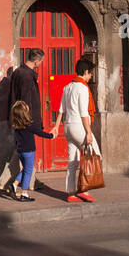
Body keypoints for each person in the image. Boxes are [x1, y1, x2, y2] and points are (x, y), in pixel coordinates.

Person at [0, 48, 46, 195]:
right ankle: (5, 182)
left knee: (23, 151)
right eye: (41, 62)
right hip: (25, 120)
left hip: (17, 118)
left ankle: (31, 182)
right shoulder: (26, 76)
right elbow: (26, 101)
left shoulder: (18, 72)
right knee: (23, 152)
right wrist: (28, 121)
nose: (41, 64)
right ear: (37, 61)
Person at [55, 57, 101, 203]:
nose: (91, 76)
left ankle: (71, 192)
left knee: (72, 161)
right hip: (78, 126)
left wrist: (56, 126)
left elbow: (61, 110)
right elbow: (84, 113)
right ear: (86, 72)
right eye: (90, 73)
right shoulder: (82, 88)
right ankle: (84, 189)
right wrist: (88, 132)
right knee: (94, 154)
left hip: (67, 126)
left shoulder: (67, 87)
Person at [10, 99, 54, 201]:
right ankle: (24, 194)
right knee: (28, 172)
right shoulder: (29, 124)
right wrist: (51, 136)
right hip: (28, 151)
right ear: (25, 111)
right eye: (26, 106)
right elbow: (40, 133)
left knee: (25, 169)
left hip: (20, 151)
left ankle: (14, 185)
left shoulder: (17, 126)